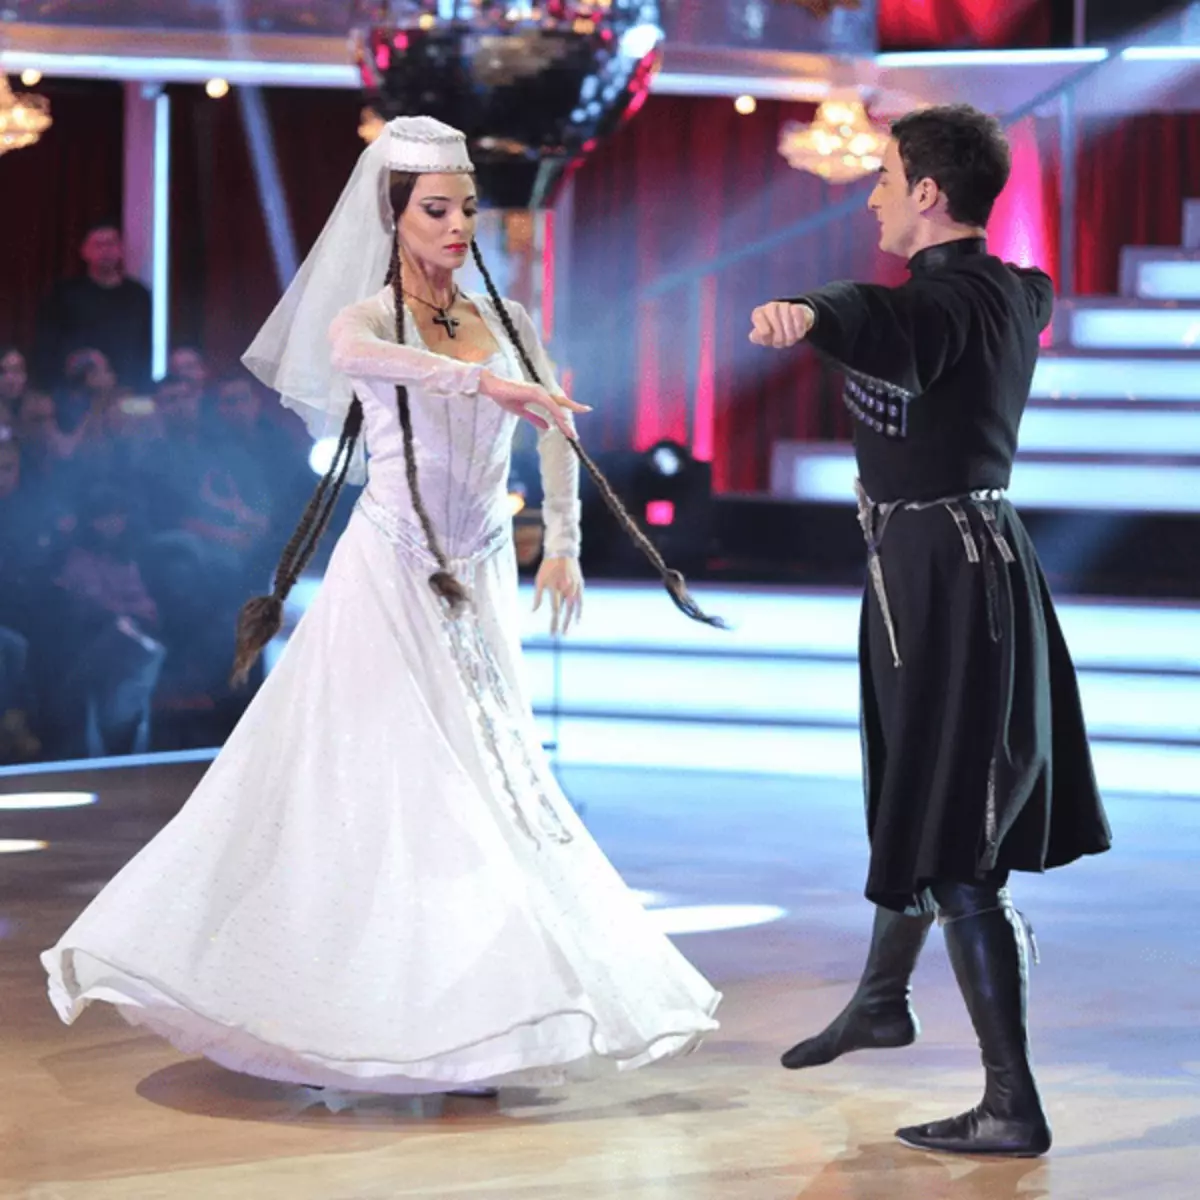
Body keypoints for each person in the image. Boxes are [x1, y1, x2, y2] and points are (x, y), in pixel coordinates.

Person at [42, 117, 720, 1096]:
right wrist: (479, 378)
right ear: (395, 218)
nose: (455, 226)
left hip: (481, 574)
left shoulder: (515, 319)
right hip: (392, 570)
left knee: (491, 789)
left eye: (466, 208)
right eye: (434, 209)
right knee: (402, 788)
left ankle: (477, 1024)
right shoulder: (361, 321)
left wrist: (563, 546)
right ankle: (366, 1011)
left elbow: (554, 432)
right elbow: (379, 367)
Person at [750, 104, 1112, 1157]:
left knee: (955, 831)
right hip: (931, 564)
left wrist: (804, 312)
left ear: (927, 195)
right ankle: (881, 998)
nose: (867, 196)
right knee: (920, 792)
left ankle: (1012, 1103)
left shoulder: (947, 305)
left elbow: (881, 318)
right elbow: (992, 301)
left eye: (883, 178)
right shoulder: (1008, 292)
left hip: (949, 570)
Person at [33, 224, 152, 392]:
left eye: (111, 244)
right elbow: (48, 344)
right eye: (98, 245)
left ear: (121, 249)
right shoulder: (64, 294)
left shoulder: (138, 296)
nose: (105, 251)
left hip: (127, 390)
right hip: (75, 391)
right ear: (84, 250)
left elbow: (145, 347)